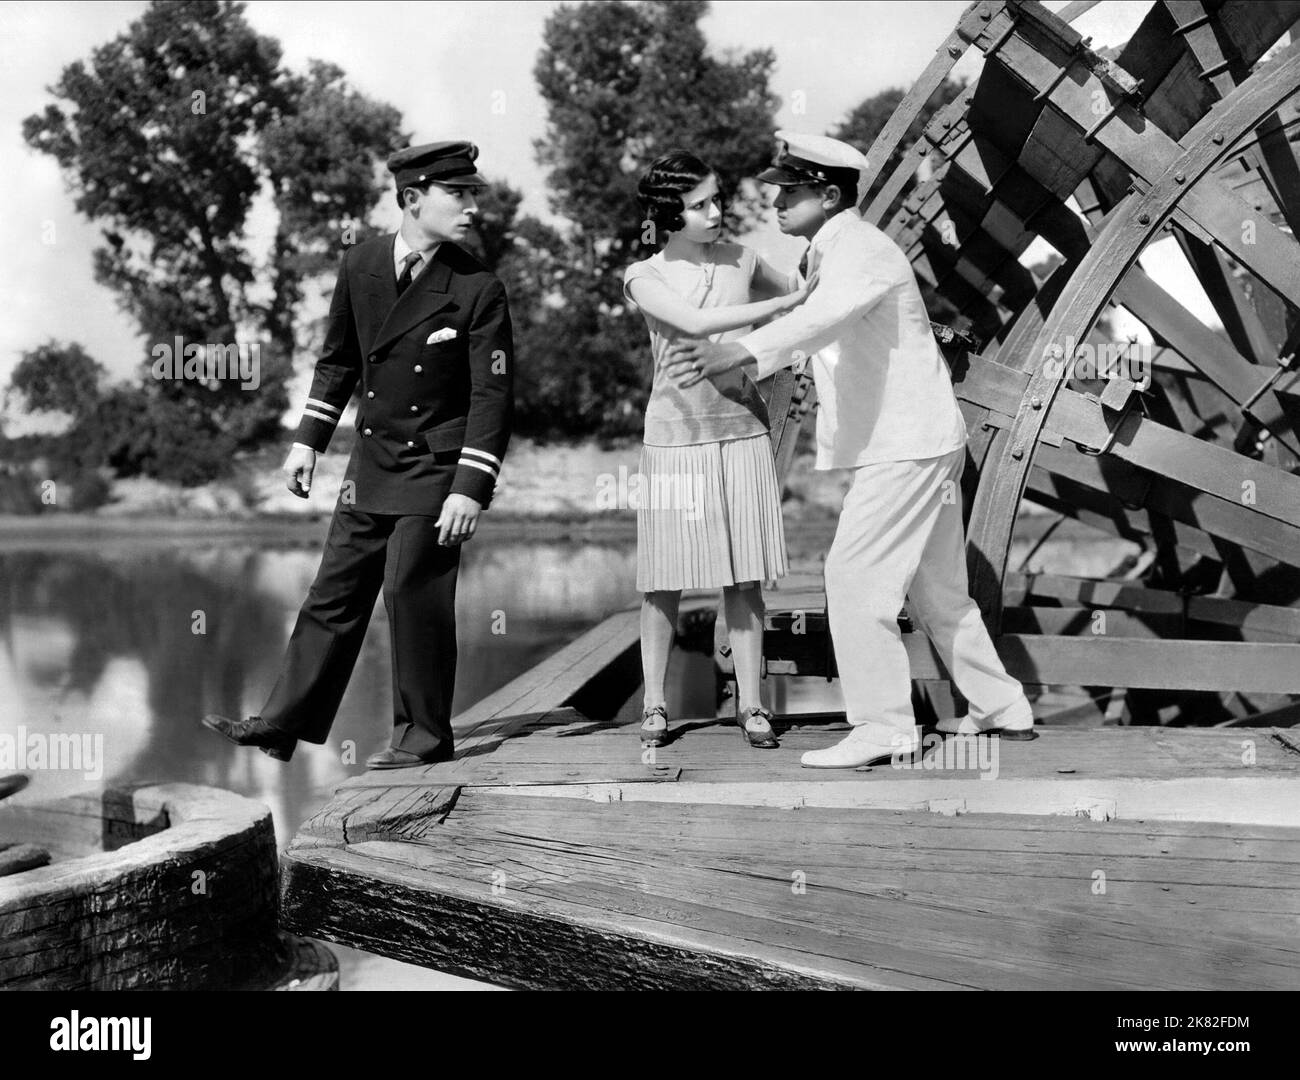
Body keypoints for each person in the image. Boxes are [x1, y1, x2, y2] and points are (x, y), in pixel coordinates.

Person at [665, 132, 1036, 769]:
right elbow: (819, 325)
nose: (774, 198)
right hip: (917, 441)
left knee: (853, 577)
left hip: (905, 446)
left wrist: (741, 351)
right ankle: (1001, 705)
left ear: (829, 194)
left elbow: (823, 319)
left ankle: (884, 728)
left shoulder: (858, 249)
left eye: (791, 189)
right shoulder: (832, 251)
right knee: (938, 589)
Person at [203, 140, 513, 770]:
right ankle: (281, 724)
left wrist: (469, 486)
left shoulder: (478, 286)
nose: (472, 206)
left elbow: (493, 395)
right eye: (458, 194)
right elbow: (339, 360)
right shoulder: (362, 264)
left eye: (473, 193)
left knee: (411, 594)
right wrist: (306, 443)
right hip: (369, 464)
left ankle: (423, 738)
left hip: (436, 467)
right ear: (412, 198)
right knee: (333, 592)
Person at [624, 150, 808, 750]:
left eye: (717, 199)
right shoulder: (642, 275)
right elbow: (693, 324)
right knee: (662, 579)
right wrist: (778, 307)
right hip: (674, 439)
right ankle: (654, 705)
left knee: (746, 578)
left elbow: (809, 294)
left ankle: (751, 706)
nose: (715, 212)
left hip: (744, 432)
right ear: (668, 213)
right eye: (699, 204)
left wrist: (805, 290)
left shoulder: (745, 259)